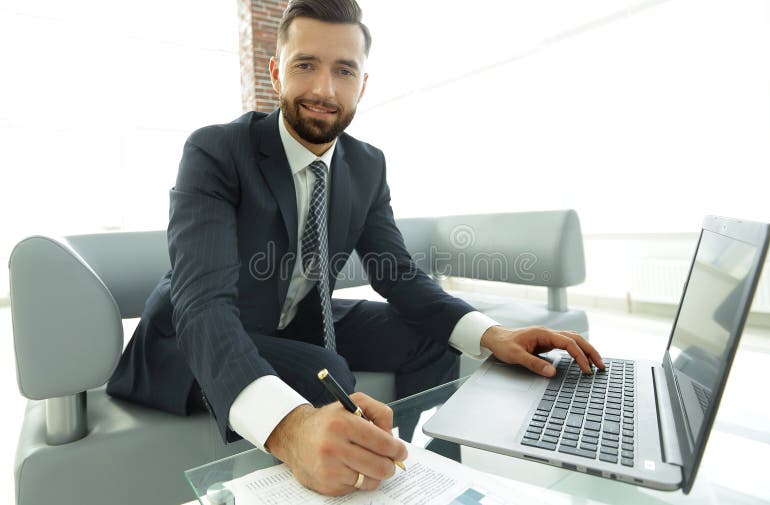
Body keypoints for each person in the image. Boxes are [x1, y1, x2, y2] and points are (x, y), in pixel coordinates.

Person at [107, 0, 605, 497]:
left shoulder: (367, 166)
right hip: (189, 333)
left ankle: (414, 463)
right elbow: (204, 304)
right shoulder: (216, 151)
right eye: (306, 65)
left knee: (434, 336)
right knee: (328, 371)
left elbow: (397, 274)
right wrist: (292, 429)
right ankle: (350, 467)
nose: (324, 90)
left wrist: (493, 334)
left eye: (343, 71)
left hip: (291, 320)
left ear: (362, 84)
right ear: (277, 73)